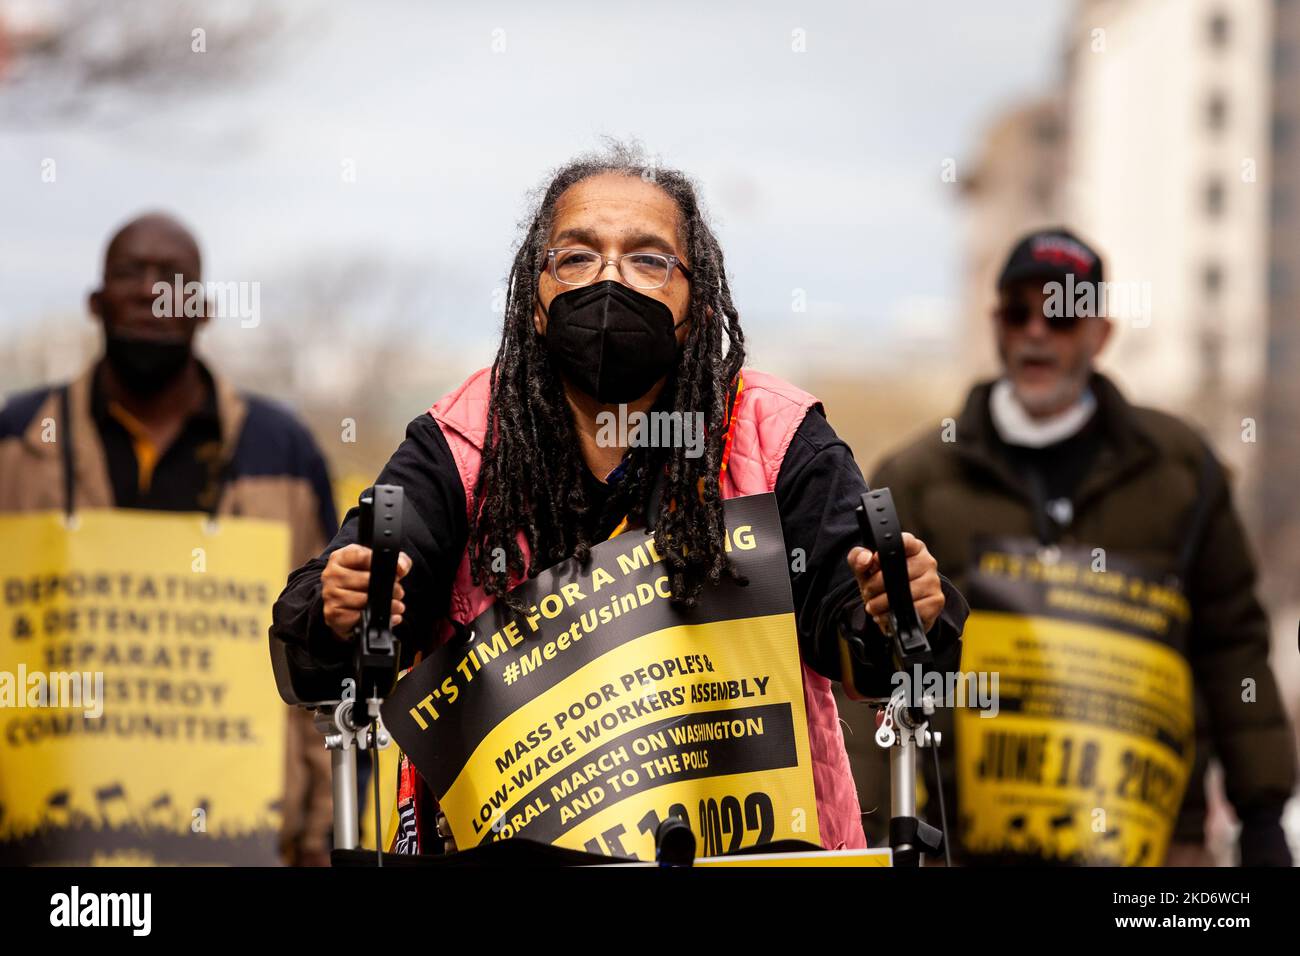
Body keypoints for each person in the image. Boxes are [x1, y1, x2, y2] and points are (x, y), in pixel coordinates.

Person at [270, 144, 969, 854]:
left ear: (694, 307)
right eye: (576, 258)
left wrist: (894, 609)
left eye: (648, 260)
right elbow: (332, 640)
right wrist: (339, 611)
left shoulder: (778, 438)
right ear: (534, 302)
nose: (610, 280)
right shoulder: (460, 443)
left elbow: (864, 640)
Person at [867, 227, 1295, 865]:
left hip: (1155, 858)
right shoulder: (916, 479)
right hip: (968, 848)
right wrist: (870, 833)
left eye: (1064, 313)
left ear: (1101, 333)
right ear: (996, 324)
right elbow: (876, 675)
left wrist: (1261, 815)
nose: (1038, 330)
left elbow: (1232, 646)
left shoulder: (1181, 470)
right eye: (1019, 310)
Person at [0, 213, 340, 866]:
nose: (152, 290)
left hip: (243, 843)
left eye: (174, 278)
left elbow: (319, 661)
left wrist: (320, 835)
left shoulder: (283, 451)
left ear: (203, 309)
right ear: (97, 301)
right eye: (131, 272)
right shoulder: (17, 442)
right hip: (49, 846)